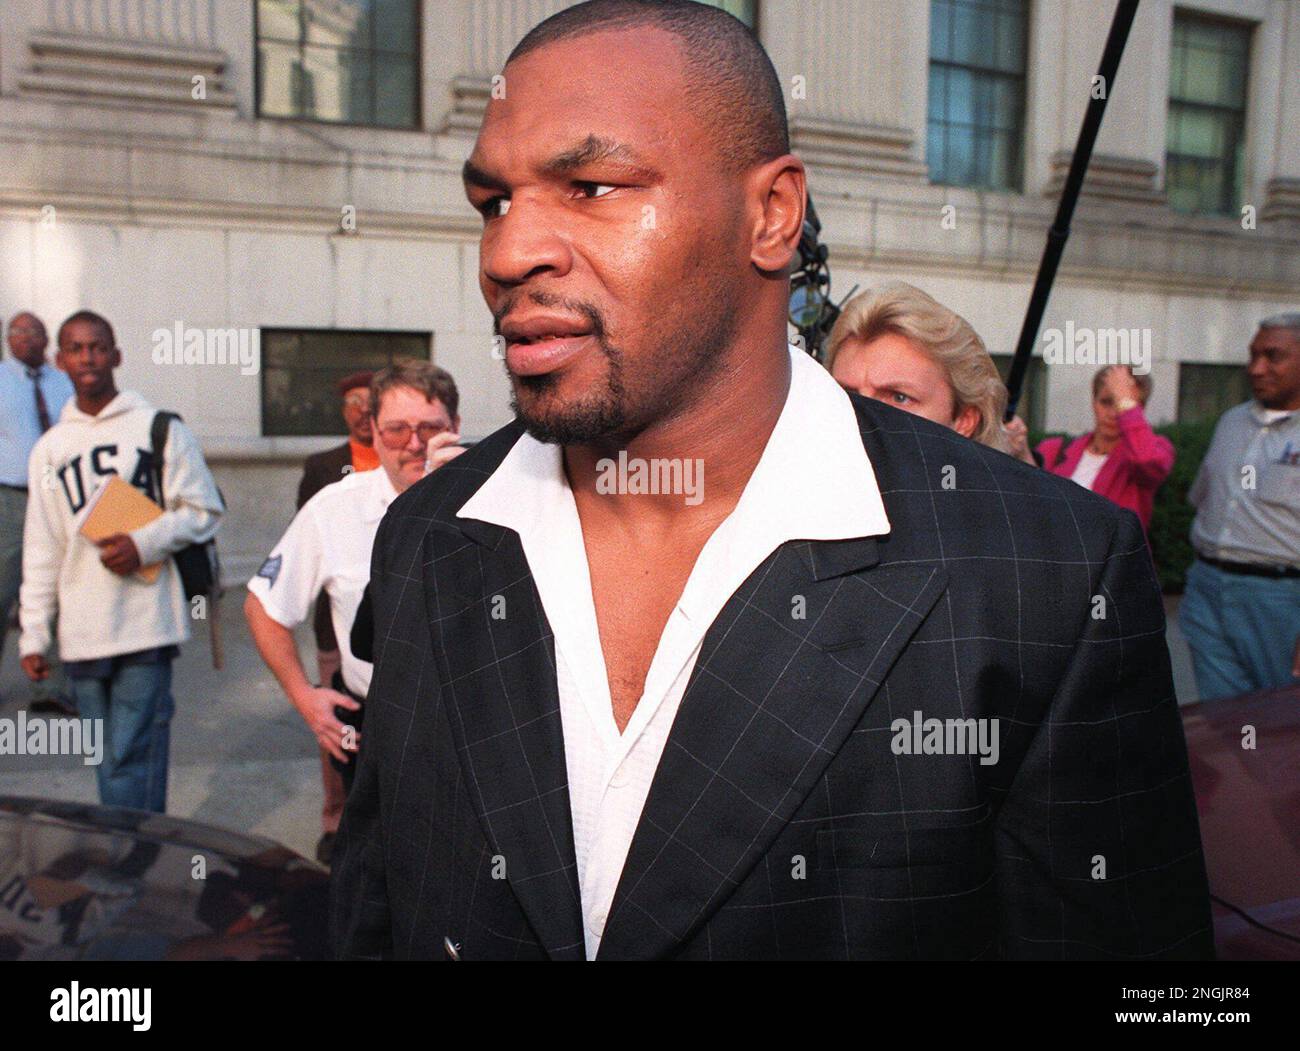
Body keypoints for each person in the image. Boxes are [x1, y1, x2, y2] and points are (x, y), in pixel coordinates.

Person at [332, 0, 1211, 961]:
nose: (506, 253)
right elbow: (375, 912)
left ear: (771, 216)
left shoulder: (1045, 571)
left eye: (590, 186)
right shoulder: (425, 538)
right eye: (493, 202)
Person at [19, 310, 224, 812]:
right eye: (75, 347)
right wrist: (34, 632)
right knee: (105, 758)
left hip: (146, 621)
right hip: (84, 628)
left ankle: (130, 858)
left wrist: (144, 543)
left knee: (134, 751)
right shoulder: (50, 448)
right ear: (59, 360)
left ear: (116, 355)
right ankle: (132, 855)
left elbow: (204, 510)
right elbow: (43, 544)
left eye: (97, 346)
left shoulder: (159, 428)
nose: (87, 356)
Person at [245, 362, 463, 829]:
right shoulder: (334, 508)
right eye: (397, 430)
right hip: (376, 725)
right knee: (377, 868)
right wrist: (304, 696)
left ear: (455, 428)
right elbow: (264, 605)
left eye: (429, 428)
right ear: (374, 433)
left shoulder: (494, 501)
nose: (414, 444)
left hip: (469, 726)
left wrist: (456, 503)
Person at [1179, 313, 1300, 701]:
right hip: (1207, 590)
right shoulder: (1231, 421)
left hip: (1281, 601)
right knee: (1226, 724)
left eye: (1272, 356)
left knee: (1283, 725)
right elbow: (1204, 499)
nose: (1256, 368)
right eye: (1252, 355)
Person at [295, 370, 376, 865]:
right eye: (352, 403)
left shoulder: (406, 460)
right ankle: (335, 817)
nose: (361, 411)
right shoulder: (324, 467)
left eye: (370, 402)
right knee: (338, 726)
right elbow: (304, 541)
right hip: (338, 628)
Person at [823, 281, 1032, 460]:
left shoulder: (997, 506)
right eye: (848, 395)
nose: (862, 418)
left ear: (964, 421)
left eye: (899, 398)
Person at [0, 312, 75, 714]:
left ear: (47, 339)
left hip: (58, 496)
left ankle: (51, 689)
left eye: (35, 333)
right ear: (9, 340)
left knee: (61, 592)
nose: (28, 339)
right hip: (9, 500)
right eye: (19, 333)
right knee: (3, 589)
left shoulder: (63, 383)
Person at [1036, 365, 1174, 535]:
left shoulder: (1155, 449)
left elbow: (1147, 460)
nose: (1114, 413)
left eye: (1123, 403)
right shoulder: (1054, 449)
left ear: (1138, 409)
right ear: (1093, 401)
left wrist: (1125, 403)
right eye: (1106, 402)